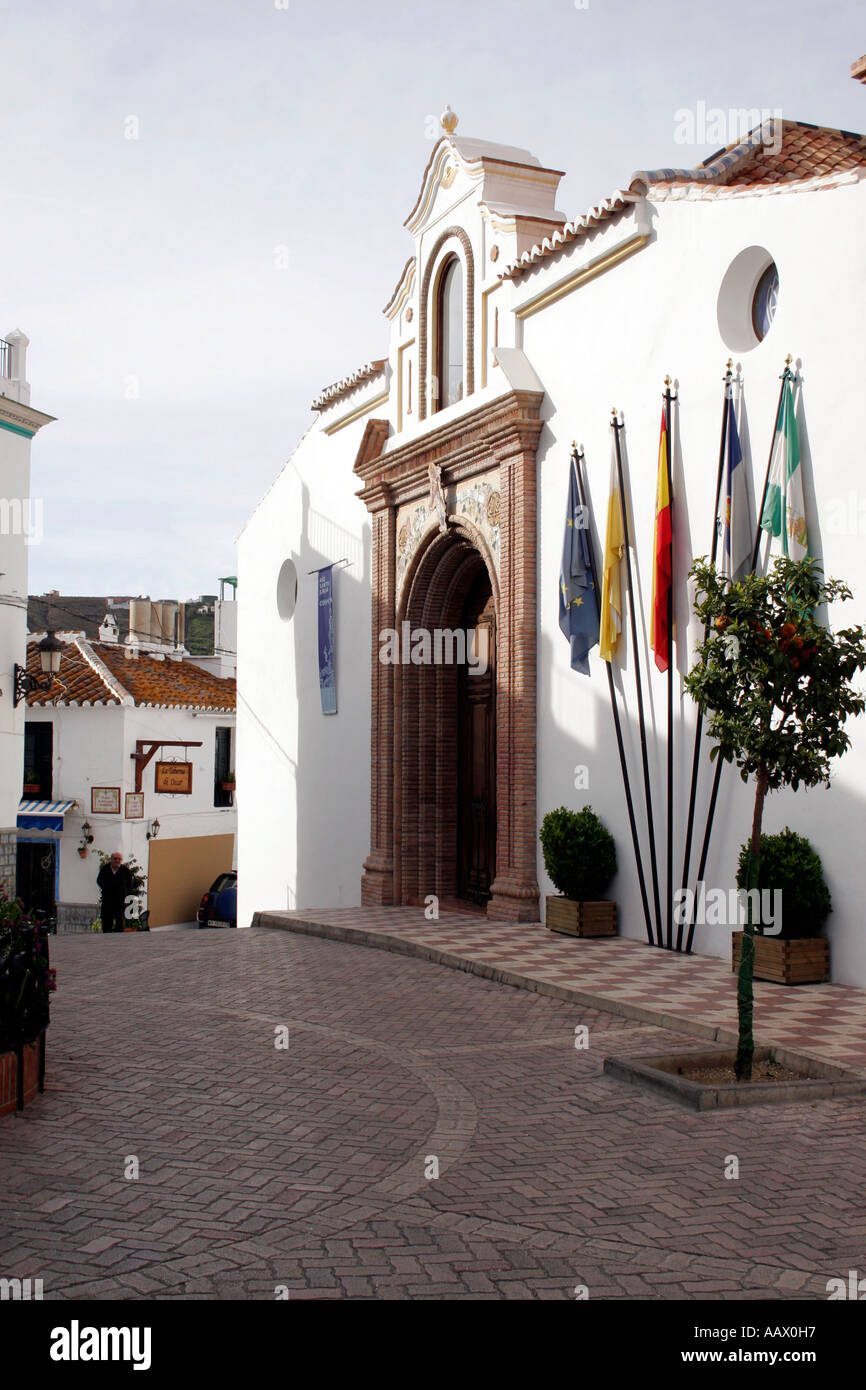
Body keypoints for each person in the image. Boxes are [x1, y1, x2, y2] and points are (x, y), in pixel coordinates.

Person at [97, 852, 134, 933]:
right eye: (115, 859)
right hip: (107, 901)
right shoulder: (105, 869)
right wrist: (106, 889)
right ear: (111, 859)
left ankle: (118, 942)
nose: (117, 860)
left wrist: (125, 894)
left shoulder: (125, 870)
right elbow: (99, 881)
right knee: (106, 922)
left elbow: (129, 884)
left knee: (120, 923)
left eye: (119, 859)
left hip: (120, 902)